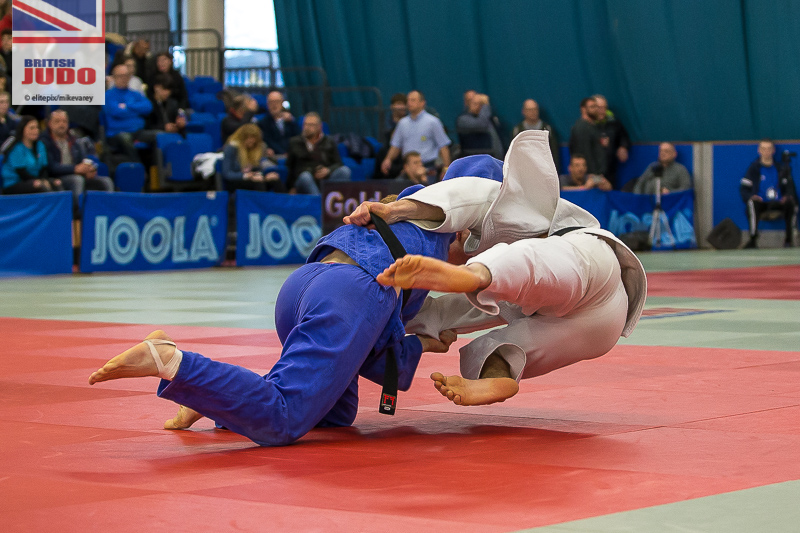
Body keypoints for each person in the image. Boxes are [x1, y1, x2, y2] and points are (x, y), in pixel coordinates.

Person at [88, 192, 457, 447]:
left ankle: (213, 397)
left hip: (302, 285)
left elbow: (366, 353)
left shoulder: (395, 215)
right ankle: (172, 362)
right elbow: (476, 176)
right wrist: (422, 342)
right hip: (350, 291)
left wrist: (420, 343)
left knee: (335, 413)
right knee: (285, 417)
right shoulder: (441, 214)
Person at [344, 130, 646, 407]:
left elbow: (468, 195)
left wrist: (397, 209)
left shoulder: (500, 200)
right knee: (500, 344)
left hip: (587, 262)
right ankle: (493, 379)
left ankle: (473, 276)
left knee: (521, 262)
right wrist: (367, 322)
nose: (445, 246)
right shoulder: (485, 250)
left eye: (448, 239)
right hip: (599, 326)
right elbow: (442, 312)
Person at [39, 110, 114, 206]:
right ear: (49, 124)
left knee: (106, 181)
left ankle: (107, 212)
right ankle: (77, 216)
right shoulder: (44, 142)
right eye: (57, 121)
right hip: (57, 177)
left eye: (64, 121)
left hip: (77, 173)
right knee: (77, 180)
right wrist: (75, 169)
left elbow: (83, 160)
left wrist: (89, 169)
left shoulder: (74, 140)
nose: (61, 124)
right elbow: (51, 167)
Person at [381, 90, 451, 182]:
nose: (409, 103)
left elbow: (443, 147)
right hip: (407, 168)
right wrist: (388, 159)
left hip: (428, 168)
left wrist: (446, 168)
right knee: (399, 187)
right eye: (408, 100)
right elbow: (396, 146)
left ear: (422, 103)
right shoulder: (402, 123)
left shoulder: (432, 122)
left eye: (413, 100)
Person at [740, 139, 797, 248]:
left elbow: (790, 187)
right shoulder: (754, 168)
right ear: (759, 150)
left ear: (773, 151)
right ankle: (753, 239)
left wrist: (787, 196)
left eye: (769, 149)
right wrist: (751, 196)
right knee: (752, 204)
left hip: (778, 202)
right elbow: (744, 189)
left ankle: (789, 240)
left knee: (791, 203)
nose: (766, 152)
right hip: (761, 203)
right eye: (763, 149)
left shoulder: (781, 168)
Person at [286, 112, 351, 194]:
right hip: (305, 179)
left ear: (319, 127)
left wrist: (328, 170)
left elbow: (338, 163)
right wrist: (291, 187)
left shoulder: (329, 142)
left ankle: (331, 200)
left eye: (310, 125)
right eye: (305, 124)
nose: (306, 128)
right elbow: (290, 167)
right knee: (306, 177)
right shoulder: (295, 142)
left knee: (345, 171)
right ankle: (319, 202)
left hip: (325, 179)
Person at [103, 63, 154, 163]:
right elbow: (116, 112)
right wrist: (136, 111)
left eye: (127, 75)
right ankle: (138, 169)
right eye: (121, 76)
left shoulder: (135, 94)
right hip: (117, 133)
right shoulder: (108, 96)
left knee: (160, 136)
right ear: (114, 78)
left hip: (138, 131)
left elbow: (148, 107)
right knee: (125, 138)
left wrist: (127, 106)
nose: (124, 78)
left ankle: (157, 170)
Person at [2, 116, 65, 195]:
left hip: (35, 180)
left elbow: (43, 169)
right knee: (39, 185)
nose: (35, 131)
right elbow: (22, 173)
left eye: (37, 128)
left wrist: (45, 180)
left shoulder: (40, 145)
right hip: (15, 183)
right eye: (32, 128)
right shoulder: (16, 148)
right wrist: (40, 181)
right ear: (23, 130)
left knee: (57, 182)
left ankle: (65, 206)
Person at [221, 123, 286, 193]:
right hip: (236, 181)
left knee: (274, 179)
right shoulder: (231, 148)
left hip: (253, 178)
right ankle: (260, 203)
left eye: (254, 138)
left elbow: (258, 169)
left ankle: (285, 203)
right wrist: (246, 176)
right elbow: (227, 174)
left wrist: (265, 176)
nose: (252, 140)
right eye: (249, 137)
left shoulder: (256, 148)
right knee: (258, 183)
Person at [511, 99, 559, 172]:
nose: (533, 112)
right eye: (530, 110)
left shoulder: (547, 129)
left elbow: (554, 152)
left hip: (544, 168)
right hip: (524, 169)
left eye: (535, 109)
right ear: (523, 111)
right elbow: (513, 153)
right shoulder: (517, 130)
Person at [593, 95, 630, 187]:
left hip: (610, 168)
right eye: (599, 108)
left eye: (604, 108)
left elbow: (624, 137)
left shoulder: (613, 122)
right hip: (593, 171)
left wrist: (623, 147)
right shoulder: (587, 125)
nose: (602, 111)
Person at [456, 92, 503, 159]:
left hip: (494, 159)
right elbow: (481, 124)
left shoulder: (489, 118)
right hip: (475, 160)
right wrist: (486, 105)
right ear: (467, 103)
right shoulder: (463, 120)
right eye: (474, 103)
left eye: (480, 104)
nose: (478, 106)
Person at [569, 97, 606, 179]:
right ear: (583, 109)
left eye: (596, 107)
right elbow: (584, 152)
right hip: (590, 175)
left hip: (598, 173)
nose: (596, 109)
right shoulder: (582, 128)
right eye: (592, 107)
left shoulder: (593, 126)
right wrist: (592, 174)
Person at [257, 90, 300, 159]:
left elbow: (297, 137)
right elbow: (268, 141)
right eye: (271, 102)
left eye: (277, 101)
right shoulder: (263, 123)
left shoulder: (291, 121)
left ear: (282, 103)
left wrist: (292, 121)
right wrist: (283, 153)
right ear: (267, 105)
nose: (274, 105)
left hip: (292, 155)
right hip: (274, 156)